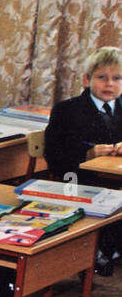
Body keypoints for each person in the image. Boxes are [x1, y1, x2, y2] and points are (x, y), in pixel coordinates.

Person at [44, 46, 122, 273]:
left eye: (117, 78)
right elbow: (53, 154)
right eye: (102, 77)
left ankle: (108, 249)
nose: (109, 84)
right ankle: (100, 251)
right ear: (87, 80)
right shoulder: (66, 110)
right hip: (80, 180)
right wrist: (85, 155)